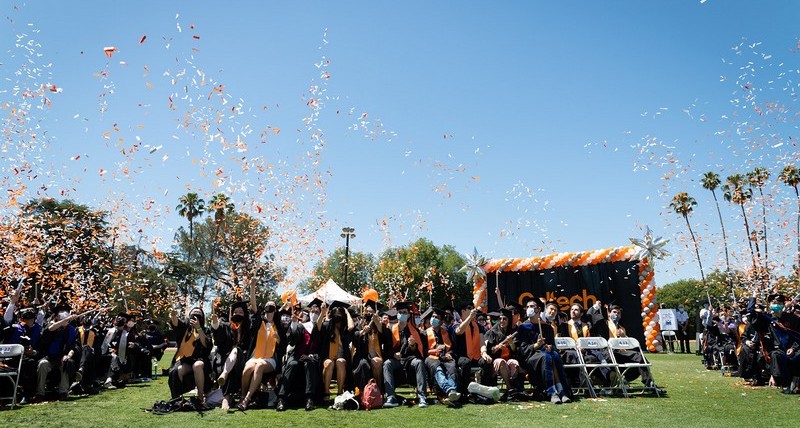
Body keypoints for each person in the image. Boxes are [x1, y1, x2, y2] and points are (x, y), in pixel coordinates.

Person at [238, 278, 287, 411]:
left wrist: (278, 340)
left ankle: (247, 399)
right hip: (256, 356)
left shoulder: (279, 327)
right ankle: (243, 396)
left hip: (270, 359)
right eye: (268, 307)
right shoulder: (259, 322)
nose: (270, 310)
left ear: (275, 311)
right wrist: (252, 288)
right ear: (264, 309)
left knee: (259, 366)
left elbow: (283, 348)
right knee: (247, 369)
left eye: (273, 308)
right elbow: (253, 306)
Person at [515, 298, 571, 404]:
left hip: (545, 356)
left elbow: (553, 346)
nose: (529, 309)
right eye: (527, 307)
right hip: (531, 358)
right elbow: (523, 350)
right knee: (547, 356)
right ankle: (553, 391)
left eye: (532, 306)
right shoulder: (523, 327)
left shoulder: (547, 328)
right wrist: (537, 345)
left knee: (553, 354)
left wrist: (549, 347)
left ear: (538, 309)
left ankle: (560, 390)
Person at [276, 299, 322, 411]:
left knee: (309, 364)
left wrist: (310, 356)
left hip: (312, 358)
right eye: (312, 311)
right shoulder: (302, 326)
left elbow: (322, 348)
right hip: (296, 355)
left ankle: (309, 399)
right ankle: (282, 399)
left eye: (317, 312)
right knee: (292, 364)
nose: (314, 314)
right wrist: (294, 324)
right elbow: (292, 340)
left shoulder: (323, 327)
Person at [382, 301, 429, 408]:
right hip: (396, 360)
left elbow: (417, 352)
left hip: (409, 359)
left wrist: (412, 346)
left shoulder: (415, 332)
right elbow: (386, 349)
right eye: (400, 312)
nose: (402, 314)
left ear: (408, 315)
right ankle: (391, 397)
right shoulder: (390, 330)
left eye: (405, 312)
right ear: (397, 314)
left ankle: (422, 396)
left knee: (418, 362)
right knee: (387, 363)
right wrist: (394, 354)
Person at [167, 306, 212, 404]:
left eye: (198, 313)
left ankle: (201, 396)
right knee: (177, 370)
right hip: (186, 361)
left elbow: (206, 344)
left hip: (200, 359)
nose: (196, 313)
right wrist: (174, 316)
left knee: (197, 366)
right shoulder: (185, 328)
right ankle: (177, 397)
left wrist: (198, 328)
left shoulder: (205, 330)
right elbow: (176, 324)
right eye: (194, 312)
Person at [211, 301, 251, 410]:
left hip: (243, 361)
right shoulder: (226, 326)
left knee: (236, 350)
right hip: (225, 361)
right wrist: (215, 323)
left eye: (241, 312)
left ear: (245, 314)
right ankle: (227, 398)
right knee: (231, 370)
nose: (238, 314)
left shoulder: (248, 328)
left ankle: (224, 376)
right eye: (235, 312)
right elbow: (218, 335)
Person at [36, 304, 79, 401]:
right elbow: (50, 329)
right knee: (42, 364)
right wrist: (63, 321)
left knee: (67, 363)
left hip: (61, 358)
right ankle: (40, 393)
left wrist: (68, 355)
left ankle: (63, 392)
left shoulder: (72, 330)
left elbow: (74, 346)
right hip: (49, 357)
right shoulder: (51, 325)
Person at [454, 301, 495, 395]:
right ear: (463, 311)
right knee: (466, 363)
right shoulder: (456, 324)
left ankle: (484, 390)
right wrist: (469, 318)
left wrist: (484, 353)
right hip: (462, 356)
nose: (473, 310)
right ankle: (465, 391)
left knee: (487, 361)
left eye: (473, 308)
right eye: (469, 308)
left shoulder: (478, 326)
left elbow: (482, 342)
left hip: (476, 356)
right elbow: (459, 331)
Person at [422, 307, 460, 405]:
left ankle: (450, 394)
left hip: (444, 358)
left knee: (452, 368)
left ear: (442, 321)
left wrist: (449, 353)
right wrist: (435, 350)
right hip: (430, 357)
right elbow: (422, 351)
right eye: (433, 316)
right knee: (438, 368)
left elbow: (451, 348)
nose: (434, 319)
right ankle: (450, 390)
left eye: (437, 317)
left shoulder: (445, 332)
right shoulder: (424, 333)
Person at [319, 300, 355, 398]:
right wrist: (322, 313)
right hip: (328, 355)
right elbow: (317, 329)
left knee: (341, 361)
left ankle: (339, 393)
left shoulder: (344, 328)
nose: (337, 316)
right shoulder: (327, 325)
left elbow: (351, 327)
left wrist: (347, 312)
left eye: (339, 314)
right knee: (329, 363)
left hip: (341, 354)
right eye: (335, 314)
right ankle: (326, 393)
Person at [484, 307, 521, 399]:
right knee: (501, 362)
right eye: (500, 319)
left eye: (504, 319)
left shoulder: (513, 332)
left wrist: (511, 342)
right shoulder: (492, 332)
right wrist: (498, 347)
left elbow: (515, 350)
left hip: (508, 359)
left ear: (509, 320)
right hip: (495, 362)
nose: (502, 321)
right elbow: (489, 350)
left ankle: (513, 389)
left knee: (514, 363)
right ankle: (510, 389)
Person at [352, 300, 387, 394]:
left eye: (371, 312)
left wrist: (376, 321)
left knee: (376, 362)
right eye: (367, 312)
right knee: (363, 364)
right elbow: (355, 336)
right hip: (363, 356)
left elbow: (384, 334)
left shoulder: (380, 325)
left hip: (377, 355)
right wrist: (362, 332)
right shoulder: (360, 324)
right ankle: (364, 393)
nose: (369, 314)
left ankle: (378, 392)